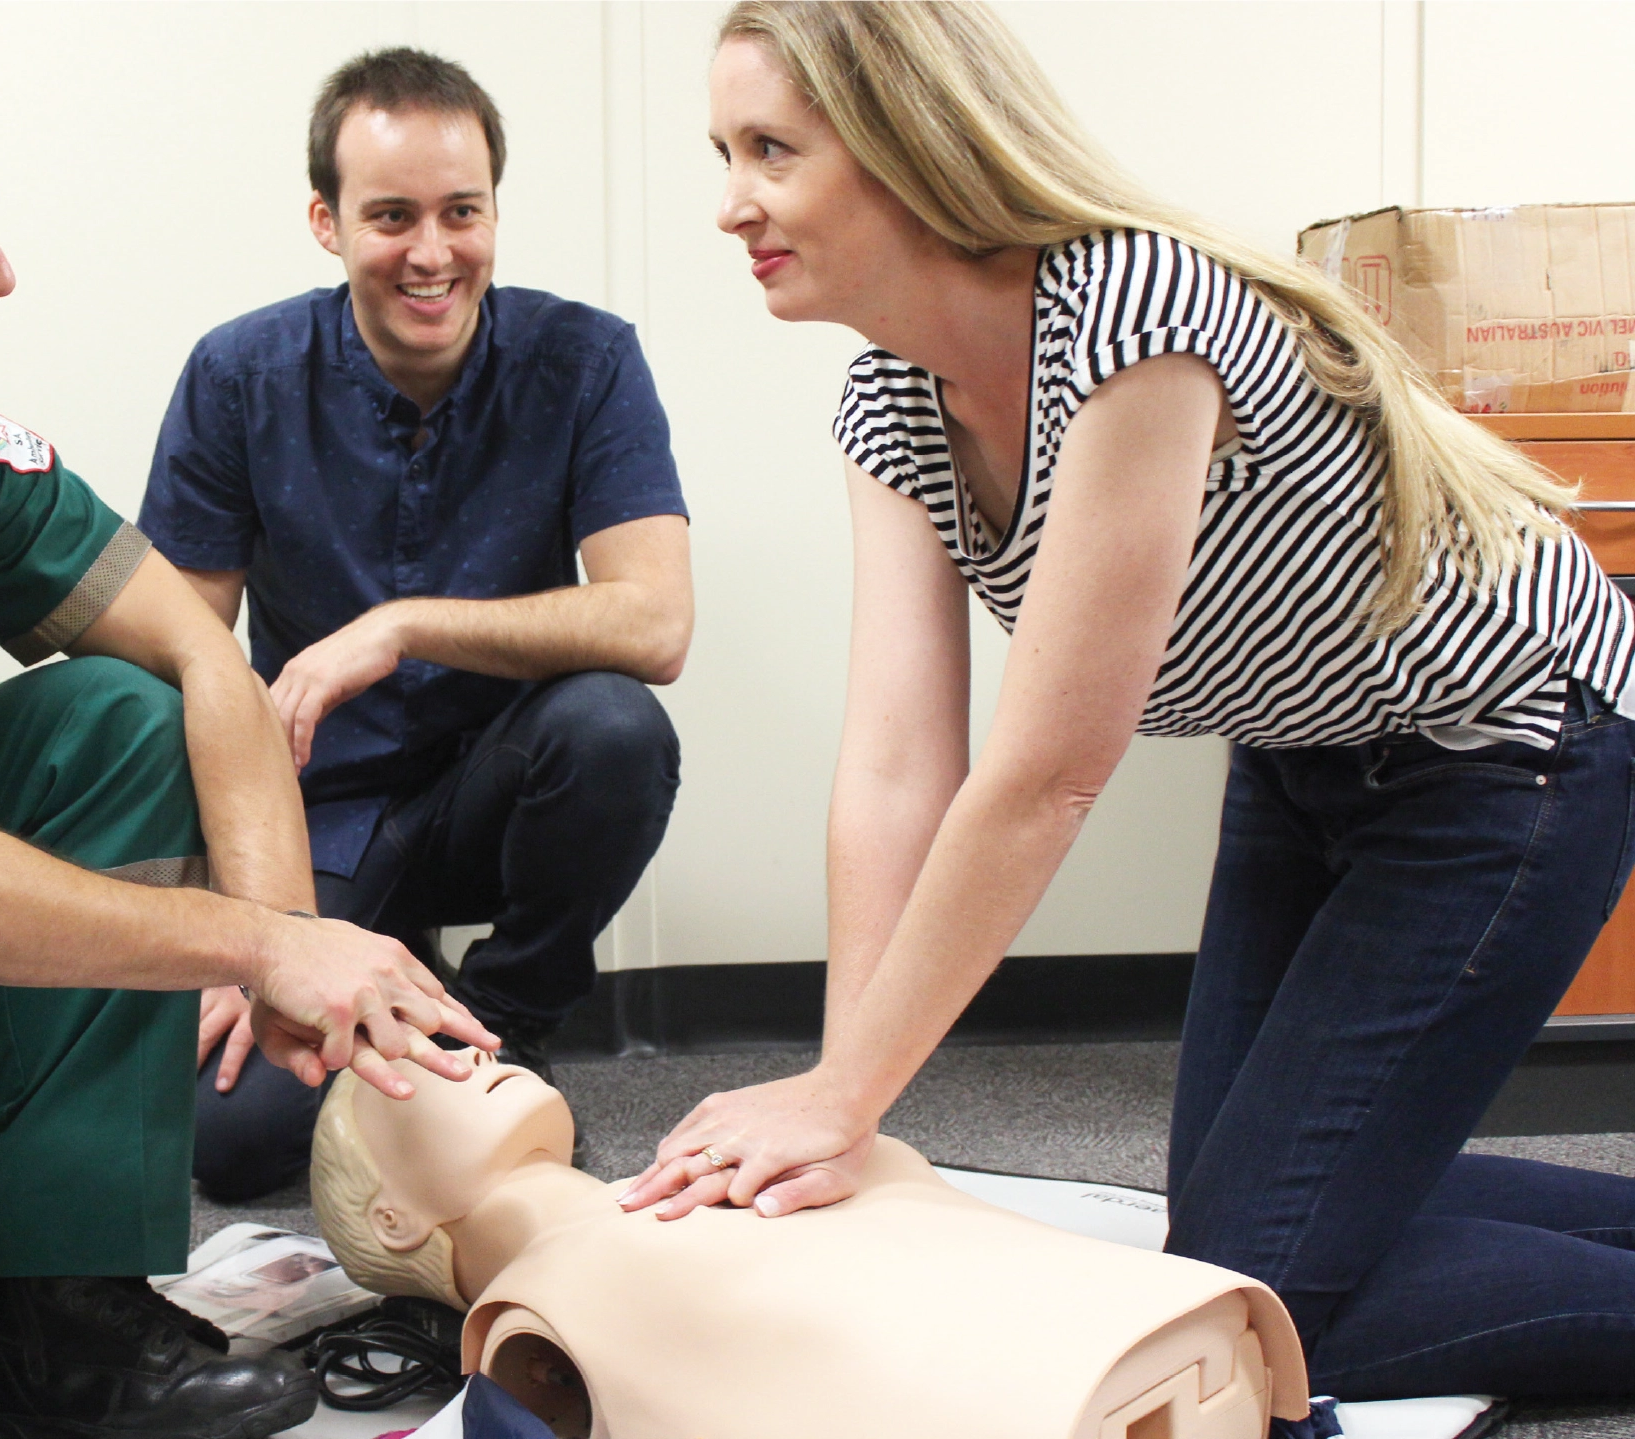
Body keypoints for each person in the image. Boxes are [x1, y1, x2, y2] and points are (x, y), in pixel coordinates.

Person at [623, 0, 1635, 1409]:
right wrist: (846, 1097)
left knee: (1250, 1302)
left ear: (909, 144)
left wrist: (845, 1091)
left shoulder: (1131, 308)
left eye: (771, 151)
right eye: (724, 152)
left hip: (1512, 751)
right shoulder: (890, 406)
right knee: (1259, 1212)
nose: (732, 203)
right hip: (1305, 759)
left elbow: (1047, 775)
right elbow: (900, 763)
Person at [0, 6, 497, 1436]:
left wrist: (292, 942)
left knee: (118, 711)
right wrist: (260, 938)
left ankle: (57, 1309)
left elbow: (195, 655)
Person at [140, 47, 692, 1202]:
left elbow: (655, 623)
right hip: (316, 814)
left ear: (495, 209)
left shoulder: (587, 358)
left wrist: (400, 624)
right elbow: (175, 667)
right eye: (390, 215)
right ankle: (390, 991)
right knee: (230, 1143)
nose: (432, 253)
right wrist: (231, 938)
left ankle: (500, 1030)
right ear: (325, 221)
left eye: (461, 212)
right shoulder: (236, 375)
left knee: (614, 727)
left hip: (503, 782)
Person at [309, 1050, 1311, 1438]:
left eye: (458, 1036)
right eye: (423, 1066)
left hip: (1163, 1322)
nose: (473, 1048)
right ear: (392, 1214)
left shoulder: (716, 1157)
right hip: (1108, 1370)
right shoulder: (533, 1311)